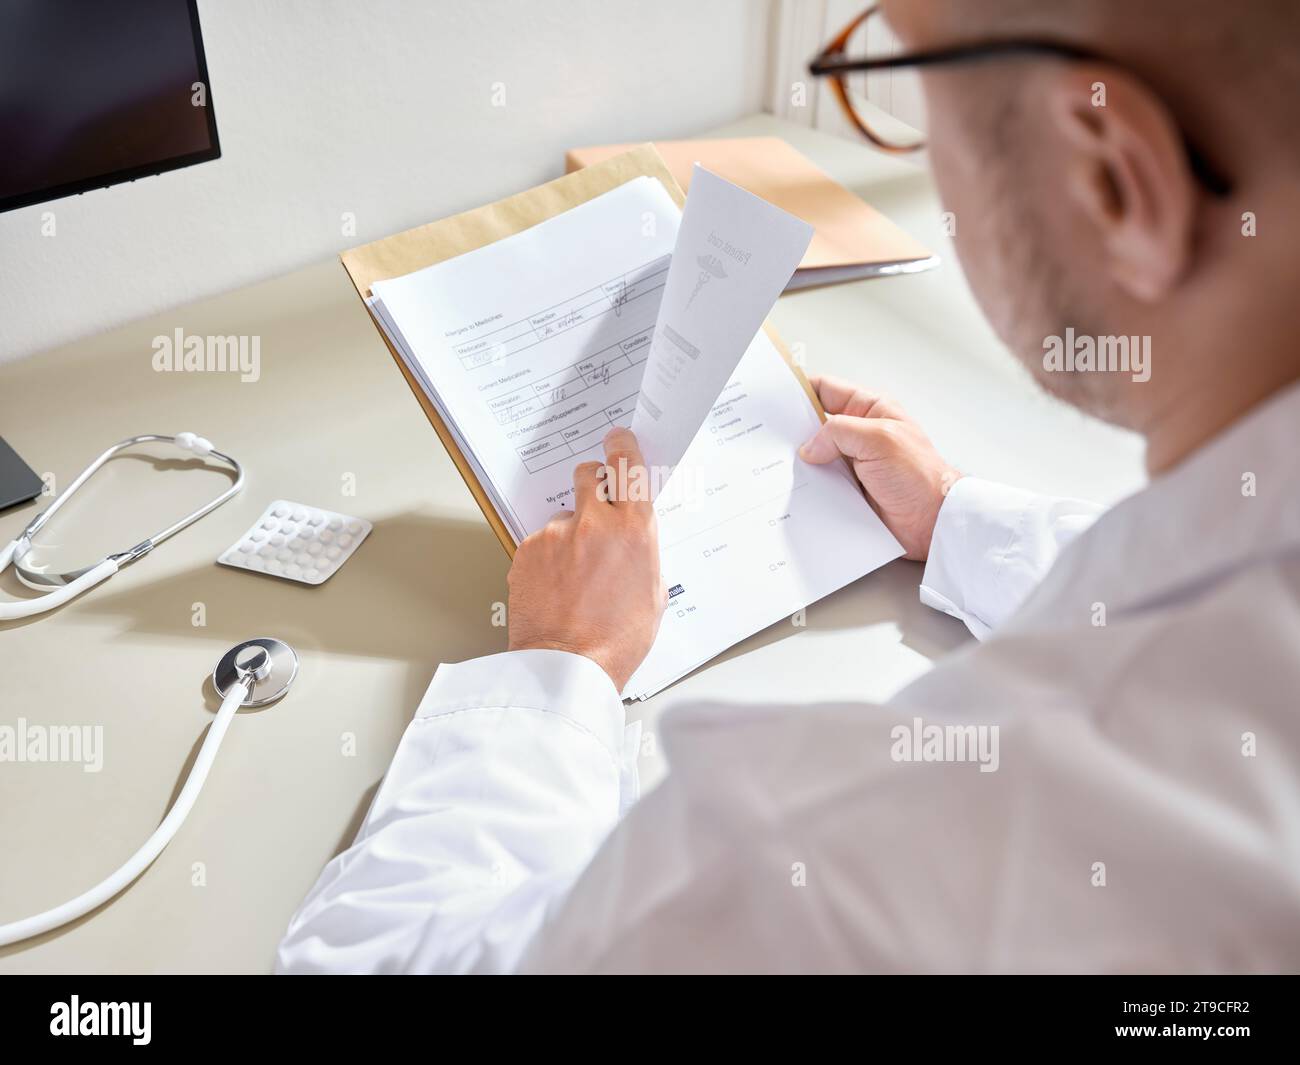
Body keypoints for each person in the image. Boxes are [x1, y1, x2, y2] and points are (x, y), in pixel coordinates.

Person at [276, 0, 1300, 973]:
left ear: (1112, 184)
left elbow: (376, 961)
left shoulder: (893, 850)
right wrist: (957, 520)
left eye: (911, 93)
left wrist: (562, 664)